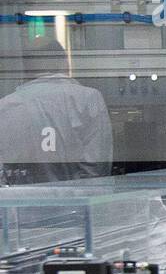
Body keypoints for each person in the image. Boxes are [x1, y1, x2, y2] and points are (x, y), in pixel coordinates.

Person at [0, 34, 112, 184]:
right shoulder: (89, 98)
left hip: (23, 203)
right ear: (64, 61)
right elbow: (97, 164)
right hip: (76, 202)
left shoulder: (5, 106)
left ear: (26, 68)